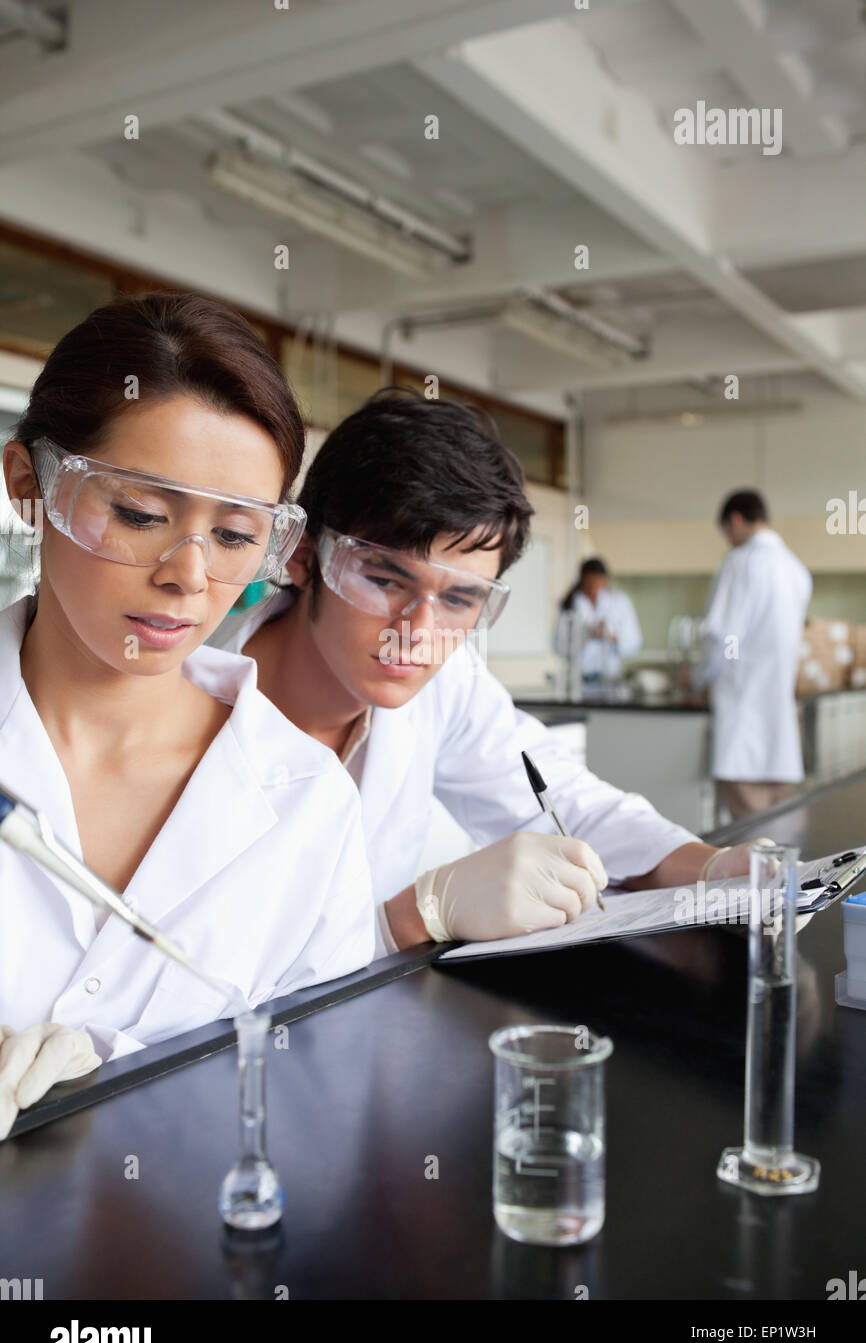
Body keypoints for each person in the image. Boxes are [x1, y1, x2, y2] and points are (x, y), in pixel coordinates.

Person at [0, 293, 375, 1140]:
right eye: (139, 515)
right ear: (30, 486)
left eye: (237, 535)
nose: (189, 576)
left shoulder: (306, 803)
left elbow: (322, 1102)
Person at [210, 389, 763, 955]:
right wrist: (409, 919)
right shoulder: (185, 709)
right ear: (303, 555)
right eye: (384, 580)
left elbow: (563, 800)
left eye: (460, 599)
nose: (418, 633)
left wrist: (714, 869)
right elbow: (191, 980)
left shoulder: (444, 682)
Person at [691, 489, 812, 820]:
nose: (728, 541)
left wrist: (698, 678)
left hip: (743, 733)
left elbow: (725, 640)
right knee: (781, 843)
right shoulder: (796, 570)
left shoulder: (740, 563)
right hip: (779, 738)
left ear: (736, 520)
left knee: (751, 849)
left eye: (727, 533)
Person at [554, 557, 642, 683]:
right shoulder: (569, 604)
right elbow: (558, 646)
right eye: (589, 581)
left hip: (610, 678)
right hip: (579, 678)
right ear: (582, 580)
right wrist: (585, 634)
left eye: (597, 581)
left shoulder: (620, 602)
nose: (593, 587)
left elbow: (634, 642)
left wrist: (612, 637)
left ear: (605, 580)